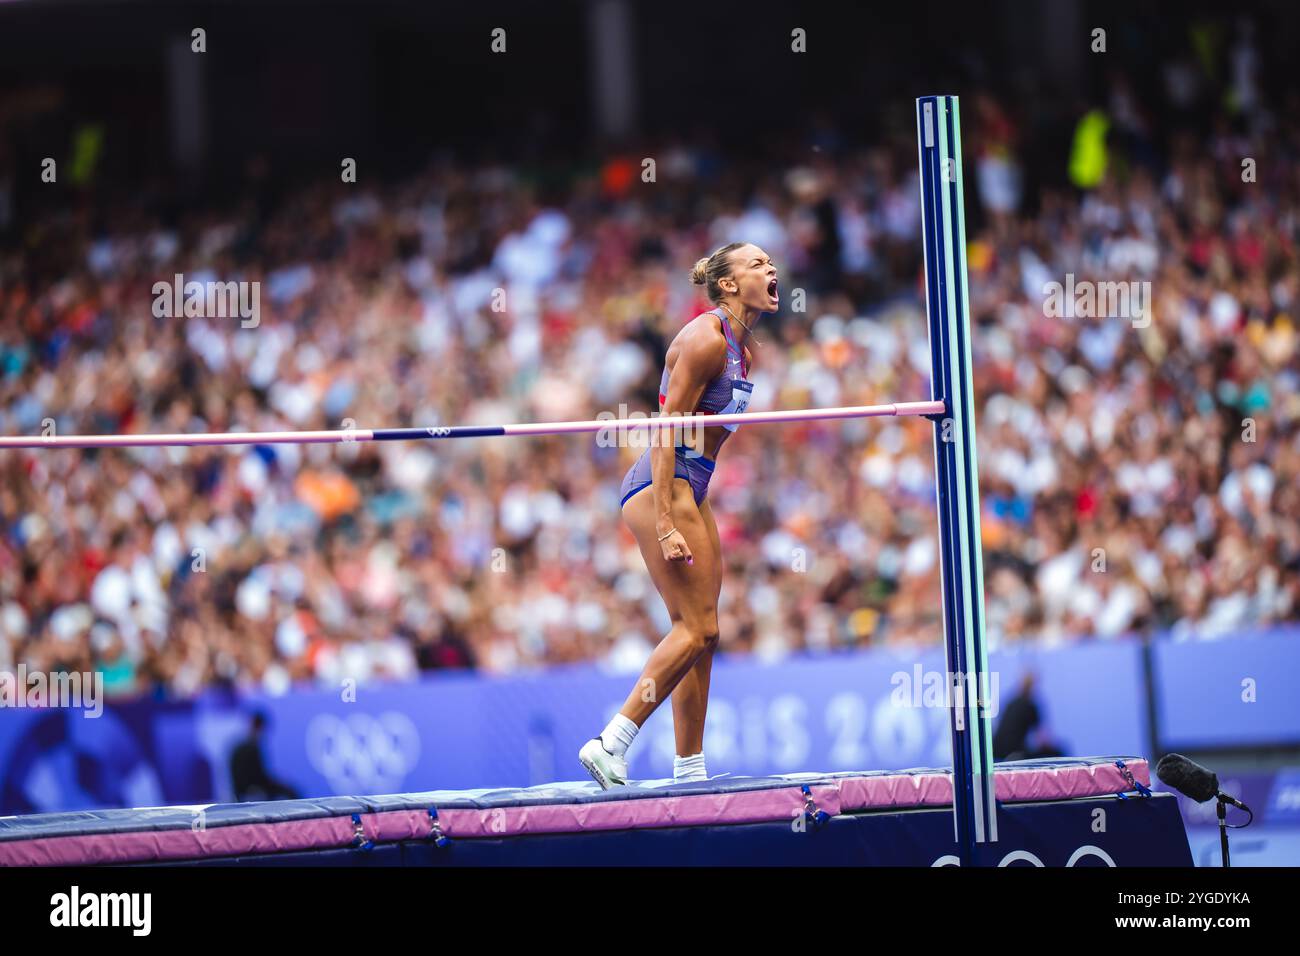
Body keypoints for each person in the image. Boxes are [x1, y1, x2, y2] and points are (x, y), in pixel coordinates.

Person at [579, 242, 779, 788]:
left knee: (704, 632)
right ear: (729, 284)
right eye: (758, 263)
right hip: (661, 487)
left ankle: (690, 769)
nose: (771, 268)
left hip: (693, 486)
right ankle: (611, 741)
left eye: (770, 262)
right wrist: (666, 520)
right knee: (694, 628)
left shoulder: (744, 348)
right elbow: (665, 430)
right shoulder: (704, 339)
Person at [229, 710, 300, 801]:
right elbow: (260, 778)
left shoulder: (241, 746)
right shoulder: (251, 748)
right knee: (290, 791)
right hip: (252, 791)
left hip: (246, 790)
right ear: (260, 727)